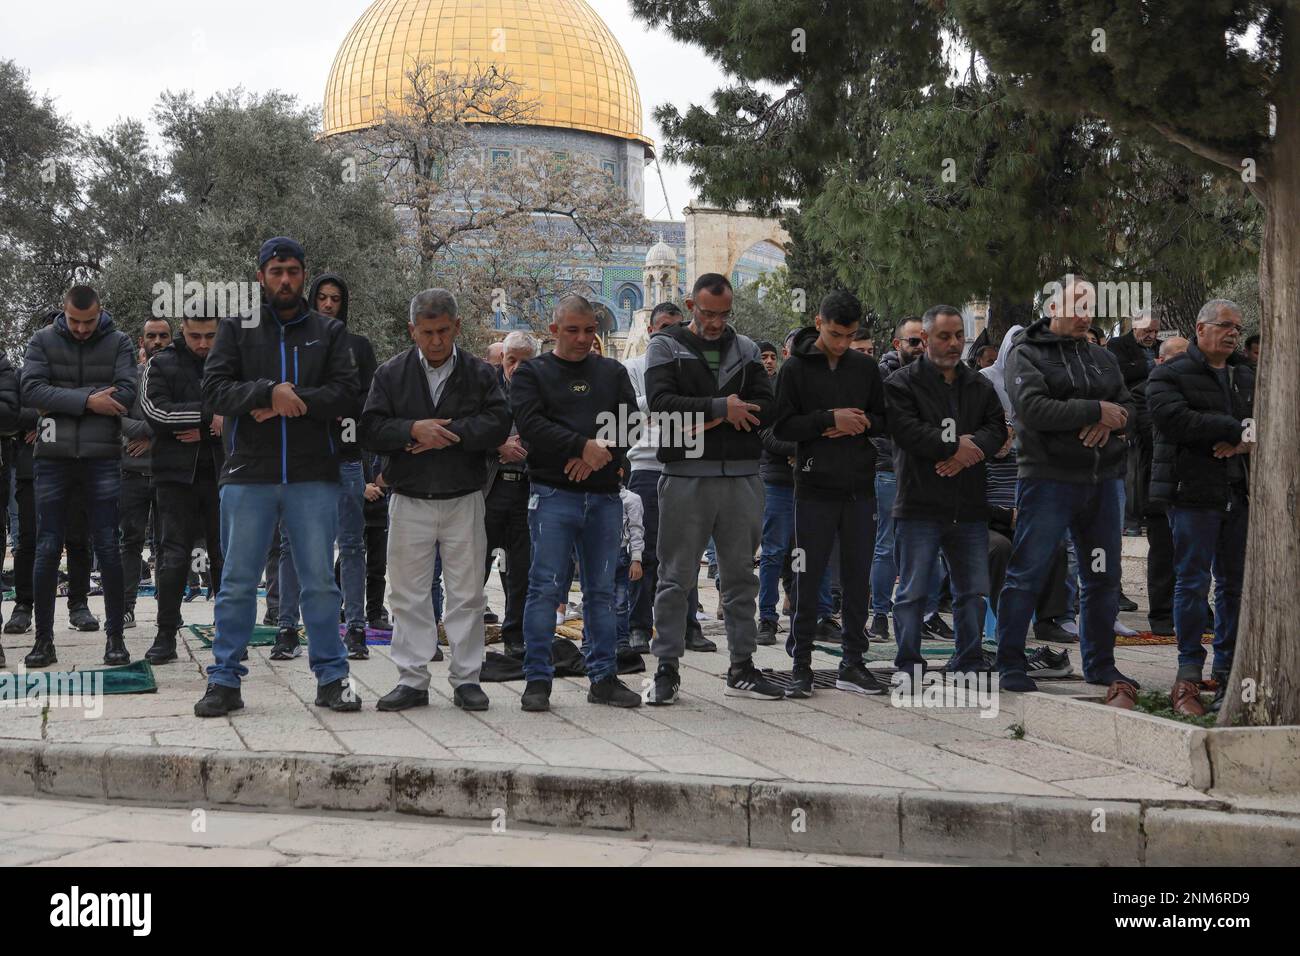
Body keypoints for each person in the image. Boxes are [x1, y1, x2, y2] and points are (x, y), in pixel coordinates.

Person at [195, 237, 361, 717]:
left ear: (304, 275)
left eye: (292, 271)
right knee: (237, 581)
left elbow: (348, 395)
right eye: (275, 271)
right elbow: (216, 391)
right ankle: (224, 679)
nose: (284, 280)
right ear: (260, 276)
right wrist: (267, 393)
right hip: (249, 474)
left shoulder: (328, 332)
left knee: (319, 583)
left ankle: (332, 676)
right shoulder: (237, 328)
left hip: (313, 475)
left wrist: (292, 404)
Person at [362, 288, 509, 712]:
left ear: (457, 327)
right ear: (413, 330)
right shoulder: (391, 374)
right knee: (408, 593)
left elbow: (498, 423)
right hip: (409, 498)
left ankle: (467, 679)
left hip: (464, 496)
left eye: (444, 331)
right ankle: (411, 679)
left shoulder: (481, 374)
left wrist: (449, 434)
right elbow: (371, 427)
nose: (437, 341)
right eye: (427, 332)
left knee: (467, 593)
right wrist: (412, 430)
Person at [995, 274, 1137, 698]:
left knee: (1101, 575)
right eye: (1076, 304)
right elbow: (1034, 409)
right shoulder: (1027, 353)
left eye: (1089, 305)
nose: (1084, 313)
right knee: (1027, 573)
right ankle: (1010, 663)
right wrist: (1095, 410)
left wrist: (1112, 423)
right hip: (1049, 480)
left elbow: (1131, 408)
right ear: (1052, 307)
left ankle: (1100, 665)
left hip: (1103, 482)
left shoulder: (1102, 358)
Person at [645, 273, 784, 705]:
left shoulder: (745, 349)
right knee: (676, 578)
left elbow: (768, 406)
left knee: (741, 577)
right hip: (686, 479)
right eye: (707, 313)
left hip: (742, 478)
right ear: (691, 306)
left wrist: (707, 416)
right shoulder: (665, 345)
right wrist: (723, 408)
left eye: (723, 314)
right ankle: (666, 668)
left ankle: (741, 666)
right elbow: (661, 405)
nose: (715, 322)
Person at [510, 294, 642, 712]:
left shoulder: (612, 372)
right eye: (573, 330)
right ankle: (537, 679)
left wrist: (597, 452)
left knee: (602, 591)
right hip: (552, 495)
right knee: (544, 588)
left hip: (603, 496)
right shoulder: (532, 372)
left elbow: (630, 426)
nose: (583, 338)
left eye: (590, 330)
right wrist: (580, 445)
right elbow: (531, 425)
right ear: (554, 331)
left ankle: (603, 676)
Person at [772, 290, 891, 698]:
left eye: (851, 335)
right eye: (837, 334)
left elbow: (883, 419)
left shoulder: (864, 367)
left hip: (859, 487)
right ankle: (801, 664)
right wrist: (827, 420)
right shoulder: (794, 369)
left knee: (858, 579)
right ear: (819, 322)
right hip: (813, 488)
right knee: (808, 575)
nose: (842, 343)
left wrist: (858, 423)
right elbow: (782, 426)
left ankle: (853, 663)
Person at [884, 305, 1006, 686]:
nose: (953, 344)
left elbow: (996, 429)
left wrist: (971, 451)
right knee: (914, 591)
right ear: (925, 339)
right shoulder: (901, 384)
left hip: (967, 506)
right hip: (920, 503)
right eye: (944, 336)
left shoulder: (978, 385)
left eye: (958, 336)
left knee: (972, 591)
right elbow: (907, 431)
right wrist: (955, 446)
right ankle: (908, 663)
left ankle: (968, 659)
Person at [21, 285, 137, 668]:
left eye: (89, 322)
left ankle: (116, 640)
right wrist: (89, 401)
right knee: (47, 547)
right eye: (75, 321)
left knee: (108, 544)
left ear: (100, 313)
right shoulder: (41, 340)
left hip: (102, 456)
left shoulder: (119, 342)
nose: (82, 329)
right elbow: (32, 390)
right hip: (53, 457)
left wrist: (62, 398)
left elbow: (125, 395)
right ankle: (42, 641)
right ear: (63, 312)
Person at [1148, 300, 1253, 716]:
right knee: (1191, 584)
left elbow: (1271, 416)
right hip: (1191, 494)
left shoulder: (1248, 373)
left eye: (1238, 328)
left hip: (1238, 493)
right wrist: (1235, 428)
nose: (1232, 334)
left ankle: (1228, 672)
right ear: (1201, 329)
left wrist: (1244, 439)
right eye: (1225, 325)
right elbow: (1176, 421)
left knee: (1234, 587)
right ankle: (1188, 674)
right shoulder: (1168, 374)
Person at [271, 273, 378, 660]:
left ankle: (356, 629)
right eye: (322, 297)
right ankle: (286, 628)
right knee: (291, 546)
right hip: (300, 459)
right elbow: (288, 398)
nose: (329, 304)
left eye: (336, 298)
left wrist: (317, 402)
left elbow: (364, 400)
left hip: (346, 459)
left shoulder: (358, 347)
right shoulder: (293, 344)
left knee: (351, 545)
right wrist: (325, 401)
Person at [623, 303, 713, 654]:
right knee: (643, 551)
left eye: (678, 326)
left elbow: (706, 410)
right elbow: (629, 412)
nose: (672, 333)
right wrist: (669, 399)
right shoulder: (632, 367)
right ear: (650, 330)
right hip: (646, 467)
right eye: (664, 327)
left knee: (687, 551)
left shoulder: (695, 368)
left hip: (688, 466)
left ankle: (687, 626)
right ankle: (638, 626)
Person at [139, 313, 225, 664]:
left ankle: (228, 630)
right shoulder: (160, 364)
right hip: (175, 476)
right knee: (173, 556)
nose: (203, 344)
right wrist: (209, 418)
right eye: (195, 336)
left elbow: (242, 411)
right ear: (183, 332)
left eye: (210, 336)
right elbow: (156, 413)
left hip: (224, 474)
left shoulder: (230, 361)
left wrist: (206, 430)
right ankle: (166, 632)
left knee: (224, 555)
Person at [868, 317, 944, 643]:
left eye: (924, 341)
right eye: (913, 341)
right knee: (886, 545)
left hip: (927, 470)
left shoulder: (938, 376)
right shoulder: (884, 377)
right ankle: (880, 615)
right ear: (897, 344)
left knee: (930, 543)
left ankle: (927, 614)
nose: (920, 347)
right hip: (890, 469)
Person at [483, 330, 538, 659]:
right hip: (491, 487)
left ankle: (514, 632)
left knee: (521, 567)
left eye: (523, 361)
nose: (516, 367)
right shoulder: (486, 390)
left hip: (527, 489)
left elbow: (552, 429)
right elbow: (469, 428)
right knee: (477, 563)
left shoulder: (543, 390)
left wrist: (527, 450)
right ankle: (467, 628)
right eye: (511, 360)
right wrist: (498, 444)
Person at [119, 317, 172, 631]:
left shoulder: (178, 379)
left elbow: (182, 416)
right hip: (132, 475)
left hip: (167, 473)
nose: (158, 341)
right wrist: (149, 431)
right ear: (142, 342)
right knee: (130, 543)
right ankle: (125, 607)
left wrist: (151, 437)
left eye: (163, 336)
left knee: (167, 544)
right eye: (151, 336)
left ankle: (169, 610)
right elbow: (118, 418)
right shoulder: (130, 379)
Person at [1135, 335, 1189, 635]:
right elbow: (1152, 432)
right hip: (1159, 486)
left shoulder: (1197, 389)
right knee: (1163, 555)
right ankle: (1162, 615)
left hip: (1193, 487)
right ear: (1159, 360)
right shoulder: (1145, 393)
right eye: (1175, 357)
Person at [1110, 311, 1161, 539]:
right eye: (1147, 331)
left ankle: (1149, 515)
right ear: (1135, 328)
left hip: (1156, 412)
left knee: (1151, 465)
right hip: (1130, 411)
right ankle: (1129, 519)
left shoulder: (1162, 346)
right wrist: (1152, 366)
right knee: (1131, 468)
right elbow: (1120, 373)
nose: (1152, 336)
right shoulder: (1118, 345)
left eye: (1155, 331)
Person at [614, 466, 645, 652]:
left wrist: (636, 559)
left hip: (621, 554)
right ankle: (591, 641)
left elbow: (636, 530)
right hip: (598, 554)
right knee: (595, 600)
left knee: (620, 603)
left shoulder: (632, 499)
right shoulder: (592, 496)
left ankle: (621, 642)